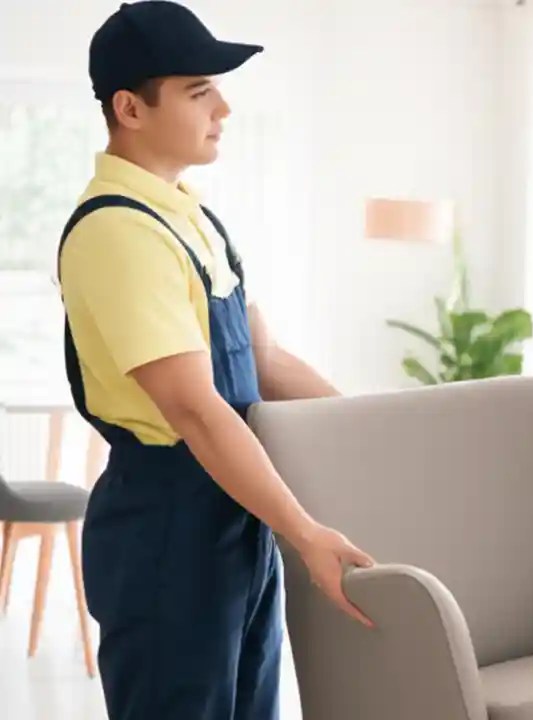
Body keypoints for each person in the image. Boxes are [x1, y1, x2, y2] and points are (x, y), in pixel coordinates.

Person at [57, 3, 375, 718]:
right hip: (166, 529)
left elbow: (263, 359)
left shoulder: (190, 216)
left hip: (236, 517)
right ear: (130, 109)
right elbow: (198, 411)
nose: (224, 107)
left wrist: (375, 433)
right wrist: (306, 530)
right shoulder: (117, 231)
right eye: (200, 90)